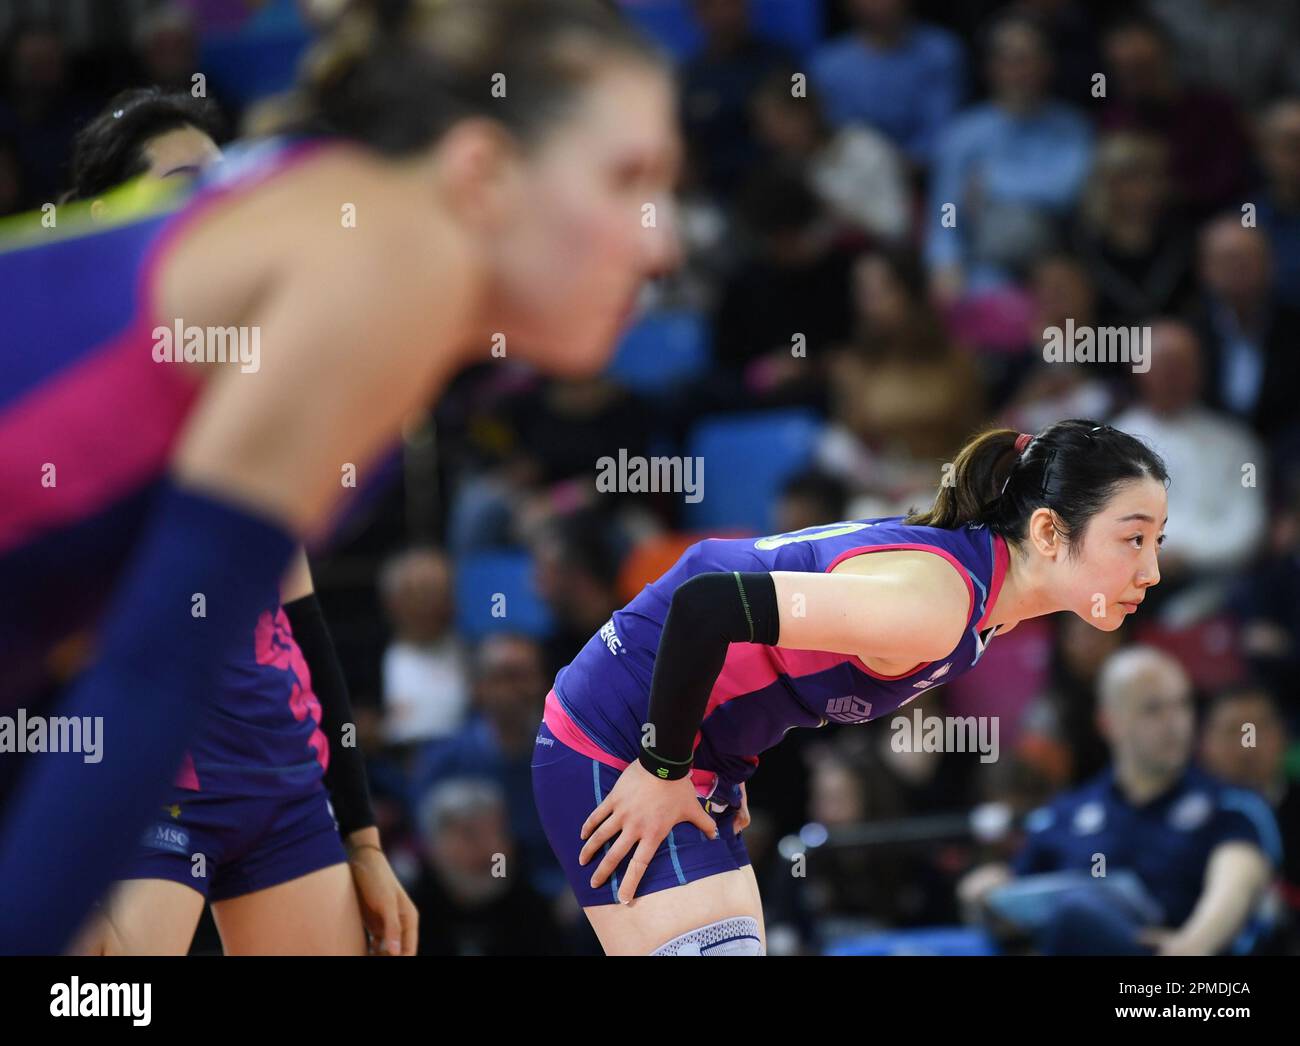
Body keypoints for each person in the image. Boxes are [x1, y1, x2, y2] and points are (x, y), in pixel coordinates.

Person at [0, 0, 680, 954]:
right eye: (630, 179)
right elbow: (148, 670)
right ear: (482, 170)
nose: (663, 243)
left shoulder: (360, 227)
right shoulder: (377, 268)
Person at [532, 418, 1170, 954]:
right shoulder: (938, 605)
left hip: (691, 742)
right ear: (1049, 533)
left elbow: (775, 643)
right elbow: (705, 604)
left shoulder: (982, 588)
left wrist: (723, 743)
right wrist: (664, 763)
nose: (1152, 569)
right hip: (618, 741)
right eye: (1133, 539)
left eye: (1157, 542)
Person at [56, 87, 416, 956]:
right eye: (186, 184)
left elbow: (303, 618)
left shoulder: (248, 383)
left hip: (284, 787)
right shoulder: (66, 394)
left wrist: (361, 838)